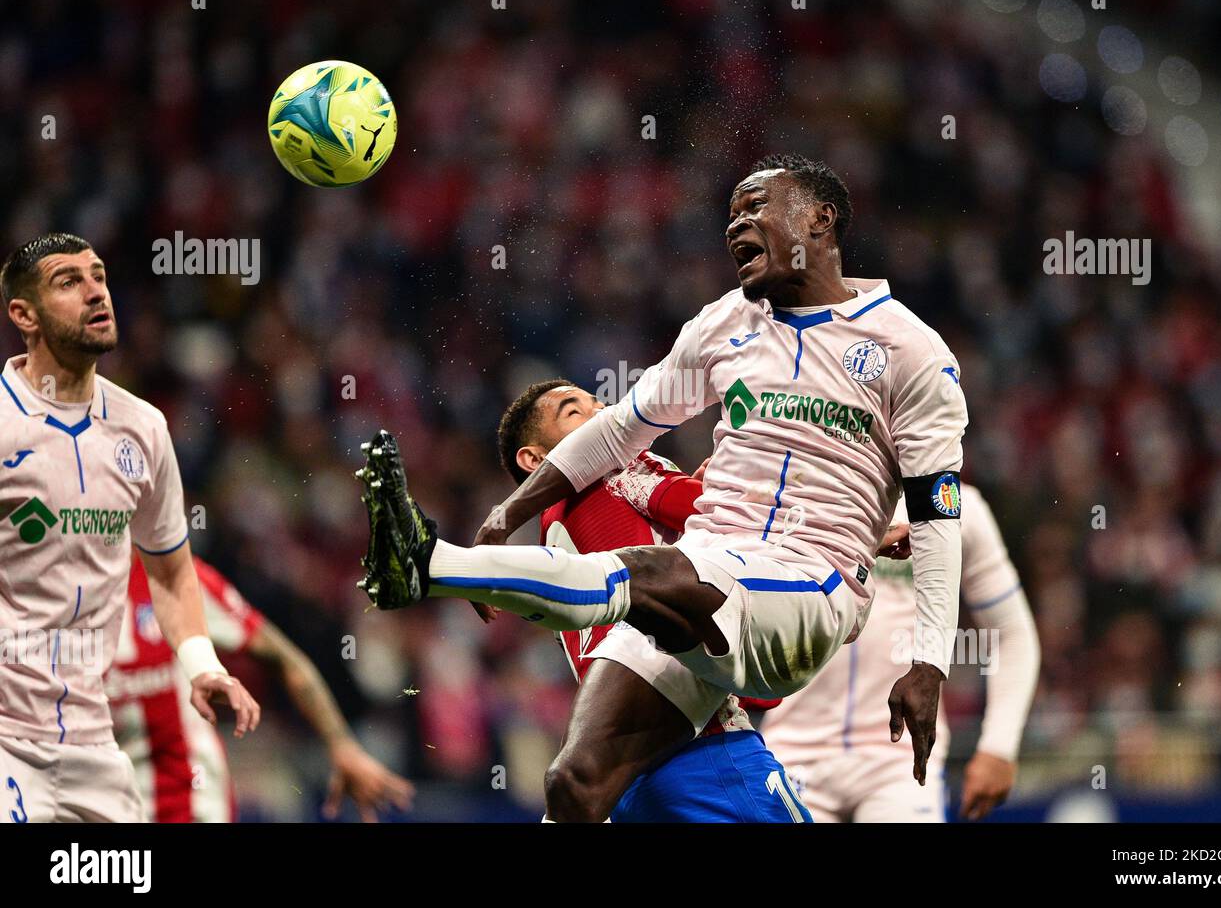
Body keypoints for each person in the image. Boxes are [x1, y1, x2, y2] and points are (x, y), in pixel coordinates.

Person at [359, 154, 968, 785]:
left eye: (757, 208)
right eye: (731, 215)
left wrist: (929, 662)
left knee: (646, 573)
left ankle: (427, 567)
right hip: (710, 564)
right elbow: (622, 428)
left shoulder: (910, 350)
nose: (736, 227)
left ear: (820, 219)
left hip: (809, 585)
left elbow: (938, 515)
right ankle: (432, 567)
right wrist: (506, 512)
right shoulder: (724, 323)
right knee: (575, 780)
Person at [0, 233, 258, 823]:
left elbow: (170, 572)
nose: (96, 293)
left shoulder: (143, 428)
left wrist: (201, 666)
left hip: (96, 745)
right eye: (69, 282)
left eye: (99, 276)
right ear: (24, 315)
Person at [496, 380, 804, 822]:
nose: (603, 414)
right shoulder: (613, 472)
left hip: (623, 771)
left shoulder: (556, 528)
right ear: (535, 458)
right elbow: (739, 522)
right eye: (574, 412)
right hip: (702, 749)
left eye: (600, 402)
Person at [762, 486, 1040, 822]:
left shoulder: (955, 505)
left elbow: (1010, 634)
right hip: (790, 749)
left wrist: (999, 746)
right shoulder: (804, 481)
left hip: (901, 761)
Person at [108, 552, 415, 822]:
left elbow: (286, 660)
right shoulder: (63, 592)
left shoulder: (180, 579)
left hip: (189, 802)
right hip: (96, 800)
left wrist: (341, 745)